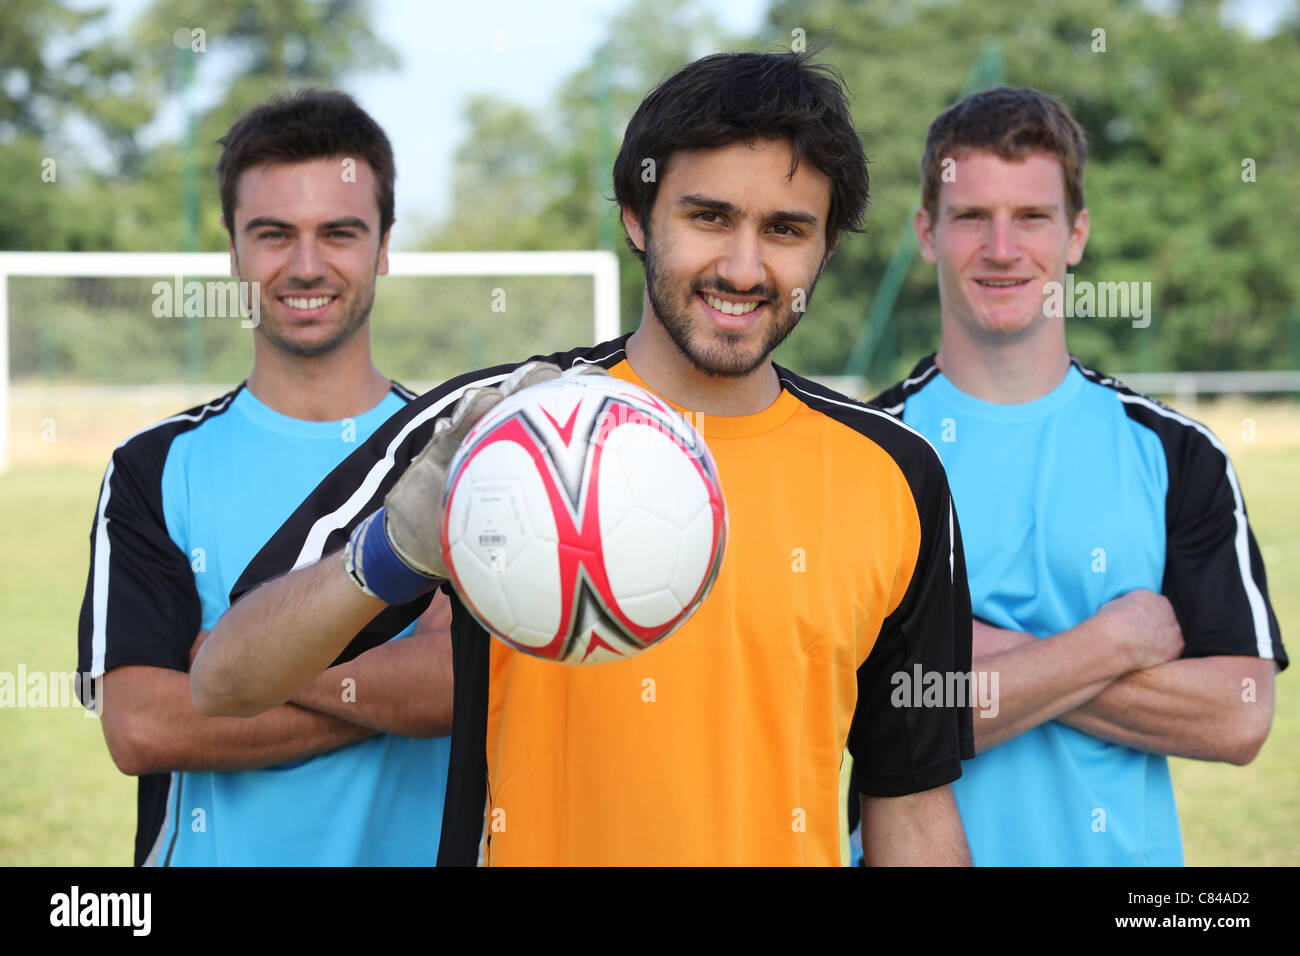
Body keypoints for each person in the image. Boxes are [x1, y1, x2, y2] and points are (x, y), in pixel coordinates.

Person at [193, 50, 975, 866]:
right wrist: (396, 552)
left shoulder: (897, 473)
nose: (744, 268)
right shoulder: (500, 427)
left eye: (785, 229)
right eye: (709, 217)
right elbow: (224, 680)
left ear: (824, 250)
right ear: (639, 217)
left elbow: (911, 801)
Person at [872, 86, 1287, 865]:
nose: (1002, 248)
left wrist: (975, 655)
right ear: (927, 233)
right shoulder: (866, 454)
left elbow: (1237, 718)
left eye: (1031, 216)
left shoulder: (1175, 452)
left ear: (1076, 234)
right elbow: (878, 711)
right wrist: (1115, 641)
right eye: (971, 217)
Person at [76, 89, 455, 866]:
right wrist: (390, 690)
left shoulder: (456, 454)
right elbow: (142, 726)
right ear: (233, 250)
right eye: (274, 234)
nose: (306, 265)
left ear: (383, 245)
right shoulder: (154, 468)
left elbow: (452, 688)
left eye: (340, 233)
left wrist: (234, 666)